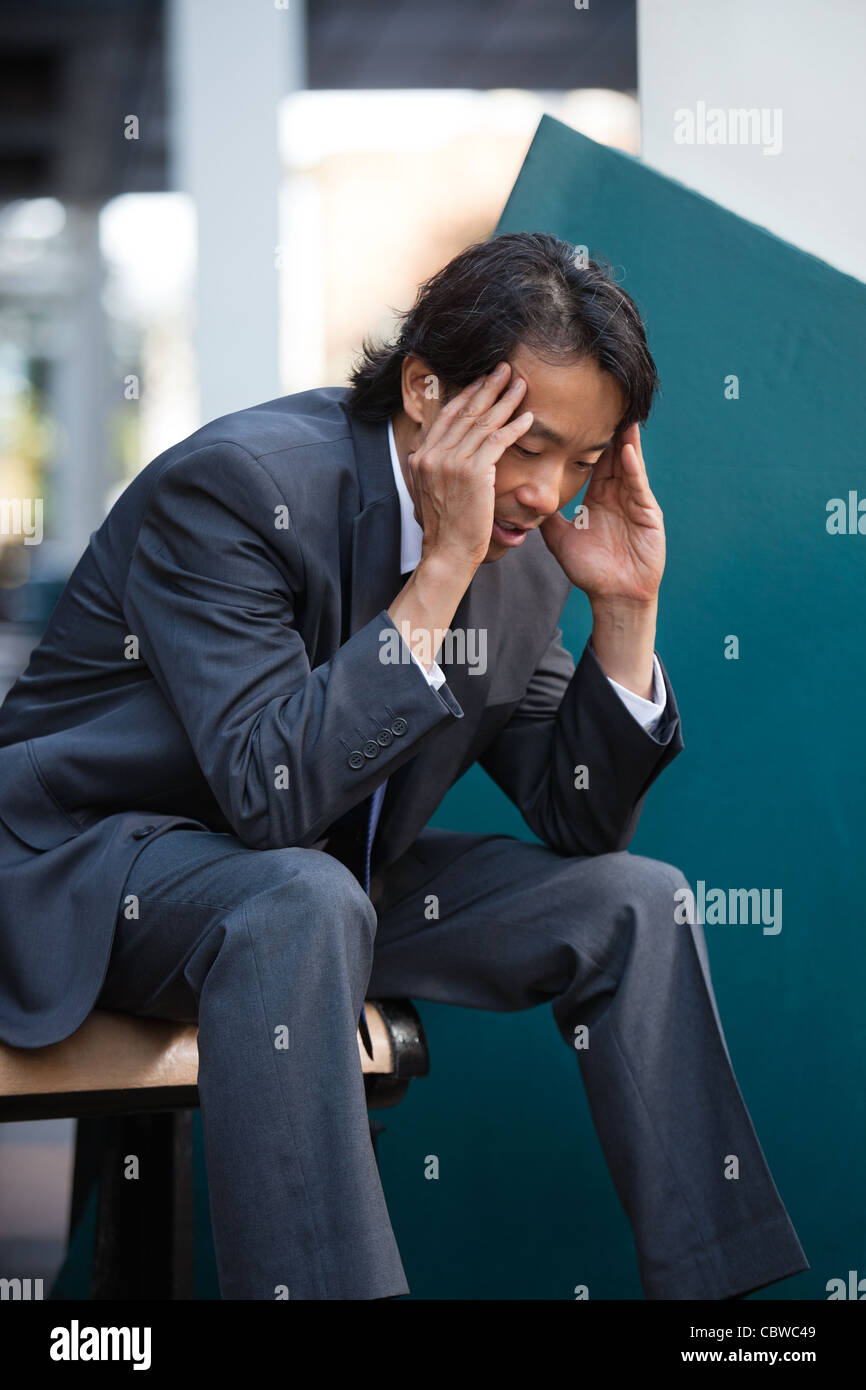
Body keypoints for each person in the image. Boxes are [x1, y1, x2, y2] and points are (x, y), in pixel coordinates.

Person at [0, 232, 808, 1300]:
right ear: (426, 391)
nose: (543, 492)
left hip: (319, 887)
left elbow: (578, 819)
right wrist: (435, 574)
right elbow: (269, 792)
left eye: (581, 460)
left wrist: (622, 612)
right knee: (301, 894)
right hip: (100, 874)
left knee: (634, 901)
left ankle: (726, 1314)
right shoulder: (239, 487)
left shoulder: (520, 567)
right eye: (527, 443)